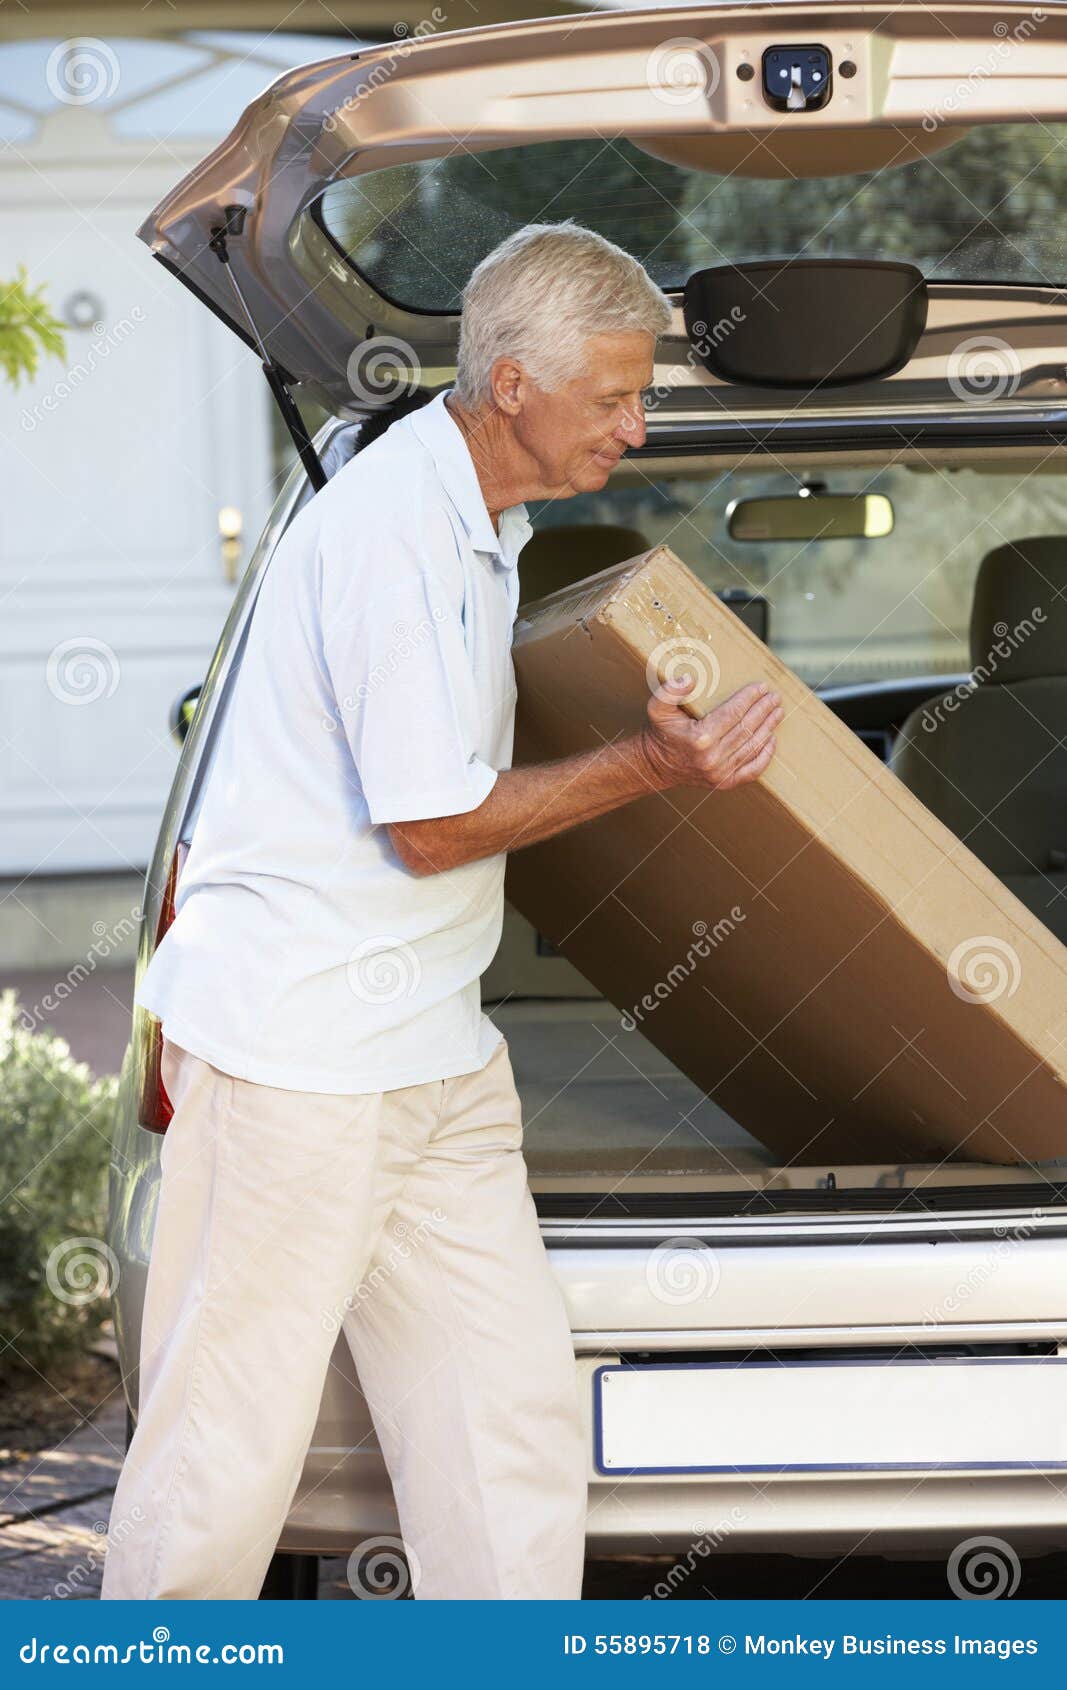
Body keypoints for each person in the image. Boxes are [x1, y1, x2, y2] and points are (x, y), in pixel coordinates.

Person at [100, 220, 784, 1601]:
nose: (638, 429)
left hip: (431, 1051)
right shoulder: (392, 530)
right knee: (224, 1445)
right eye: (616, 398)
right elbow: (428, 823)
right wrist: (656, 764)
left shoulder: (480, 522)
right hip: (299, 1060)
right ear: (513, 385)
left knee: (505, 1422)